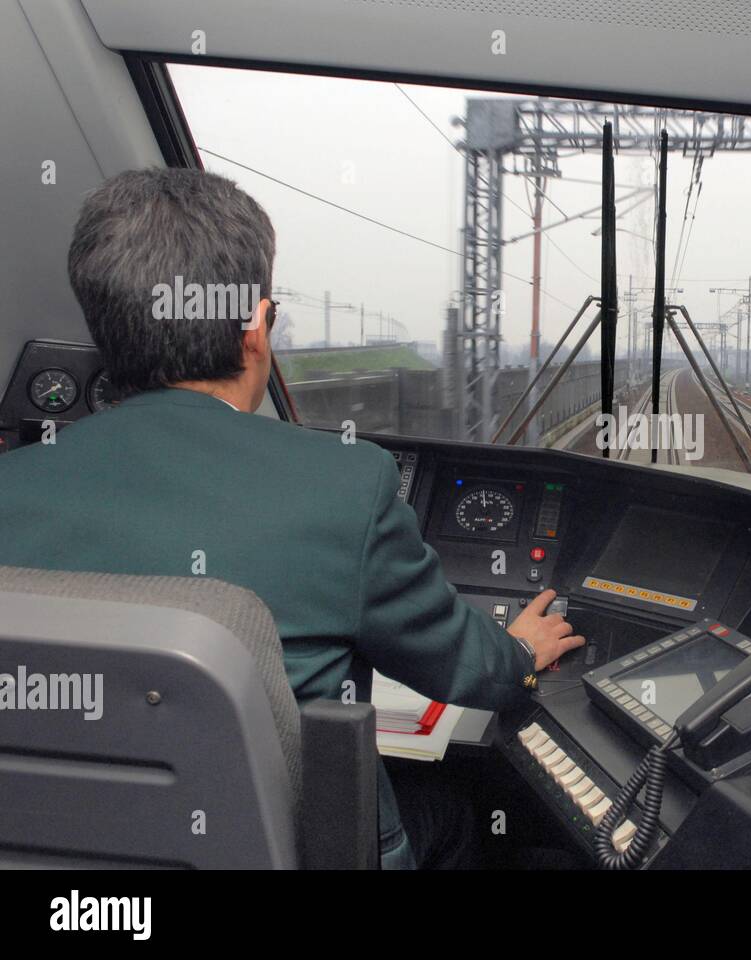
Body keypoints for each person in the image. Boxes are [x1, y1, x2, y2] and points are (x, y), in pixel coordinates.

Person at [0, 167, 584, 868]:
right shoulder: (344, 483)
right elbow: (462, 669)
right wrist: (516, 654)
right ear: (256, 329)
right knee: (460, 814)